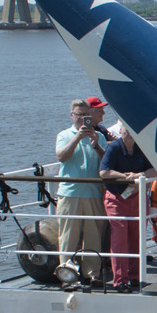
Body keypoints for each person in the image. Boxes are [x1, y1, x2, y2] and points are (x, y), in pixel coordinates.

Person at [53, 97, 109, 286]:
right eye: (79, 115)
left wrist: (96, 144)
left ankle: (92, 273)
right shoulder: (64, 135)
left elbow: (107, 161)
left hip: (93, 192)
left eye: (86, 115)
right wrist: (77, 137)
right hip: (70, 193)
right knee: (68, 235)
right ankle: (67, 275)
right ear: (72, 116)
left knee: (93, 235)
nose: (83, 119)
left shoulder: (99, 136)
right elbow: (61, 156)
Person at [98, 122, 152, 289]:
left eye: (132, 130)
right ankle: (120, 280)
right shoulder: (114, 147)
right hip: (117, 197)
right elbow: (104, 172)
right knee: (119, 239)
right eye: (126, 130)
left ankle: (135, 276)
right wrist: (124, 177)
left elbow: (154, 169)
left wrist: (139, 175)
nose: (129, 134)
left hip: (136, 197)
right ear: (120, 131)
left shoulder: (141, 147)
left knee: (137, 236)